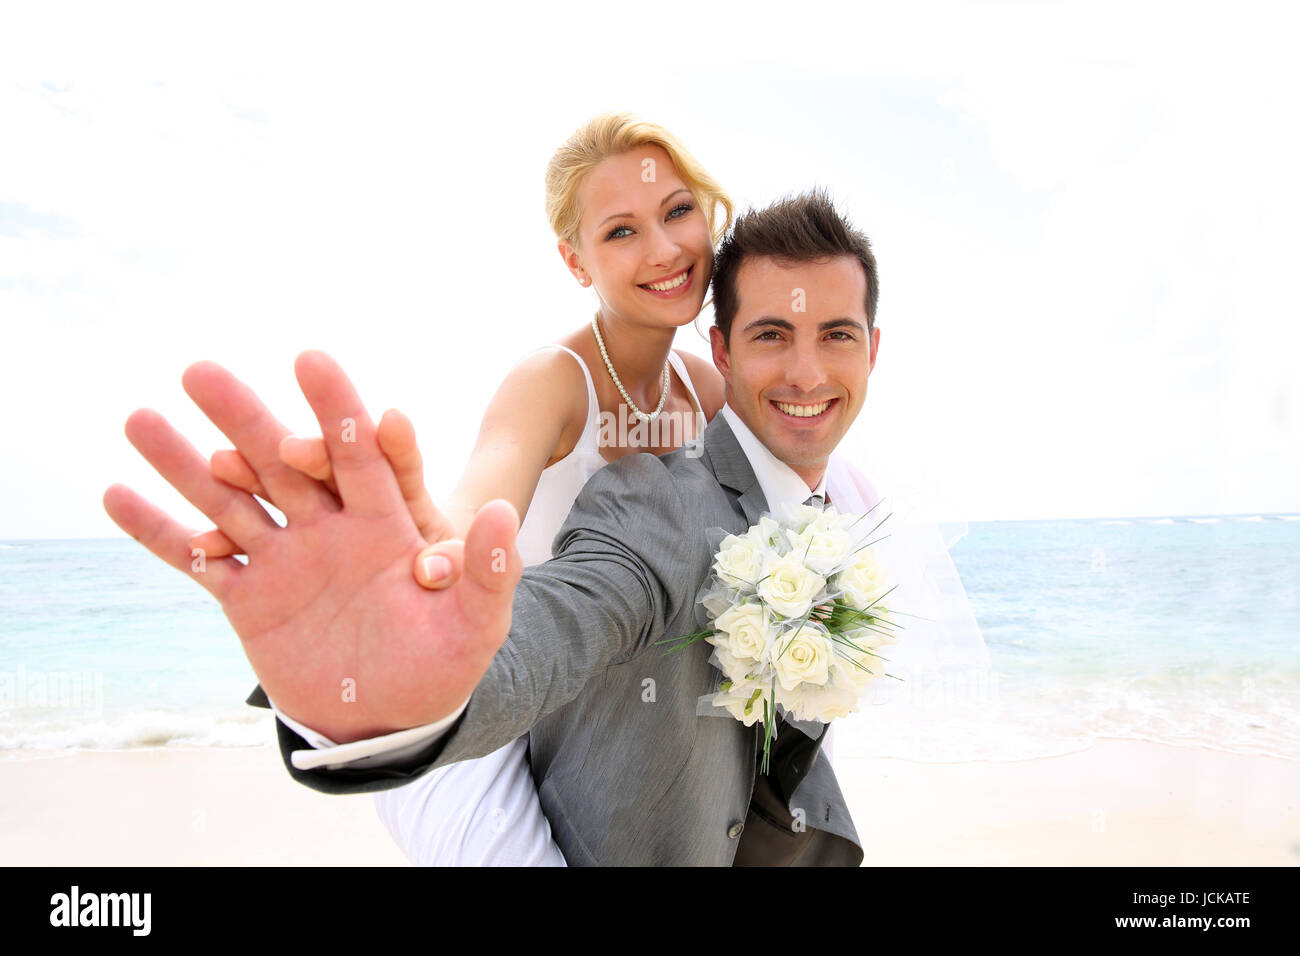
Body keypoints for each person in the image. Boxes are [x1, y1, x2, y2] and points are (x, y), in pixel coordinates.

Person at [101, 191, 934, 864]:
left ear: (874, 350)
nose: (806, 372)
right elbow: (564, 619)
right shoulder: (653, 503)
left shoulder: (846, 509)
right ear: (720, 348)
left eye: (837, 336)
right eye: (770, 336)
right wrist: (394, 697)